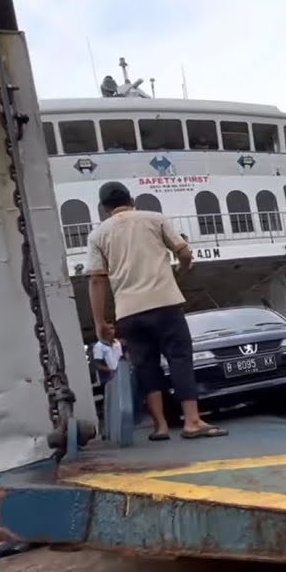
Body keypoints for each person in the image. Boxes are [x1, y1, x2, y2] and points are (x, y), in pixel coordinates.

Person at [85, 181, 227, 441]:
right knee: (180, 359)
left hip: (129, 312)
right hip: (165, 303)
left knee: (146, 367)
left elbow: (96, 280)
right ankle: (192, 421)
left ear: (104, 209)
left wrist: (99, 323)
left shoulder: (98, 235)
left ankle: (160, 426)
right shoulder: (154, 219)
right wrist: (180, 273)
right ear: (132, 199)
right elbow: (184, 253)